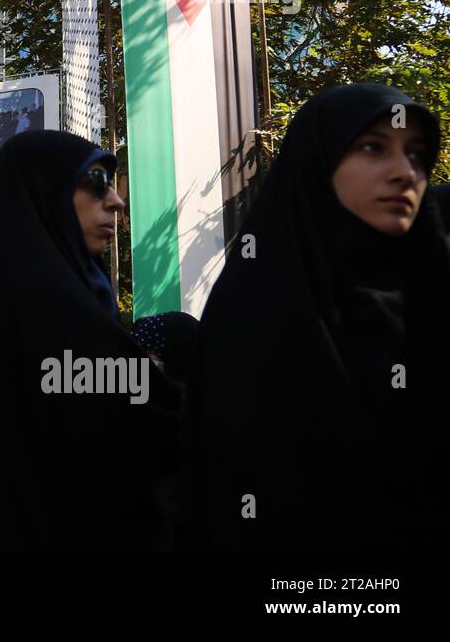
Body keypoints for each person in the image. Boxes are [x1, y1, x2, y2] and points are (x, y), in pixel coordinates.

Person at [188, 83, 450, 551]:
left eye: (417, 154)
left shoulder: (430, 296)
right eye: (373, 148)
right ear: (317, 160)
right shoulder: (255, 312)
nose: (405, 173)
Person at [0, 132, 182, 550]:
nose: (117, 201)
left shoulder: (19, 300)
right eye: (97, 182)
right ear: (47, 193)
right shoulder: (45, 307)